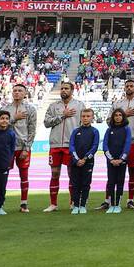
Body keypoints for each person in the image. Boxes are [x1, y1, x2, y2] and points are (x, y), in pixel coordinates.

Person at [42, 80, 80, 213]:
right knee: (55, 174)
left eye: (66, 88)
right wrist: (62, 116)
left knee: (72, 174)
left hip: (71, 145)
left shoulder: (79, 105)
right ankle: (53, 204)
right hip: (55, 144)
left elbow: (83, 124)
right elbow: (46, 122)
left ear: (72, 90)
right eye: (62, 88)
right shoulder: (53, 106)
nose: (63, 90)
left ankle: (73, 202)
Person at [111, 79, 134, 209]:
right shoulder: (118, 103)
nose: (129, 88)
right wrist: (125, 114)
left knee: (133, 170)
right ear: (124, 88)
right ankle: (112, 199)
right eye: (127, 86)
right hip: (118, 143)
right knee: (116, 171)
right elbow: (109, 120)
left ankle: (130, 199)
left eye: (131, 86)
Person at [4, 83, 37, 213]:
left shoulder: (30, 109)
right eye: (15, 90)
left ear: (25, 93)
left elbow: (32, 130)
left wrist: (26, 148)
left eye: (20, 91)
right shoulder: (5, 108)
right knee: (2, 175)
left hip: (22, 147)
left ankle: (24, 203)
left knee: (24, 175)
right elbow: (0, 125)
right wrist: (14, 118)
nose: (16, 92)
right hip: (7, 147)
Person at [67, 107, 100, 214]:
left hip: (88, 162)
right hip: (75, 162)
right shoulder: (76, 131)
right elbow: (71, 146)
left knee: (86, 184)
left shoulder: (95, 131)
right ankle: (76, 205)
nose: (85, 118)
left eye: (88, 116)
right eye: (83, 116)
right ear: (80, 117)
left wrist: (85, 158)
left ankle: (83, 205)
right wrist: (77, 159)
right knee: (75, 184)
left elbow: (94, 147)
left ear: (92, 118)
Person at [102, 108, 131, 213]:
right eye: (115, 115)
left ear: (123, 117)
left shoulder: (126, 129)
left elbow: (127, 145)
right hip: (111, 161)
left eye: (120, 115)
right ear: (113, 117)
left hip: (121, 161)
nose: (117, 117)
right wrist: (111, 159)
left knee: (120, 182)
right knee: (111, 182)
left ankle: (118, 204)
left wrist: (121, 159)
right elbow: (105, 145)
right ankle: (111, 205)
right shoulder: (109, 130)